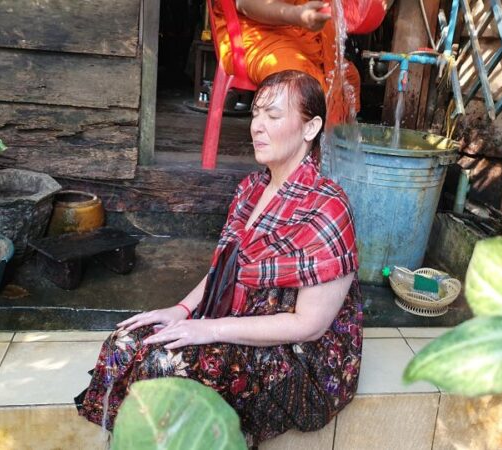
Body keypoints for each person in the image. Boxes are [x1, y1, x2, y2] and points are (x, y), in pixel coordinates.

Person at [76, 70, 363, 446]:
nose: (257, 126)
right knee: (125, 343)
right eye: (256, 113)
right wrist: (182, 309)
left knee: (166, 364)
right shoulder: (250, 190)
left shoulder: (327, 206)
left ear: (310, 128)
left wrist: (209, 329)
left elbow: (309, 326)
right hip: (240, 321)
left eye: (273, 116)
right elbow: (223, 271)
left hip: (302, 359)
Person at [212, 0, 361, 127]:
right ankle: (304, 155)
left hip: (302, 30)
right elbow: (246, 3)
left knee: (348, 79)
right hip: (251, 31)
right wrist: (297, 15)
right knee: (301, 83)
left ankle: (330, 151)